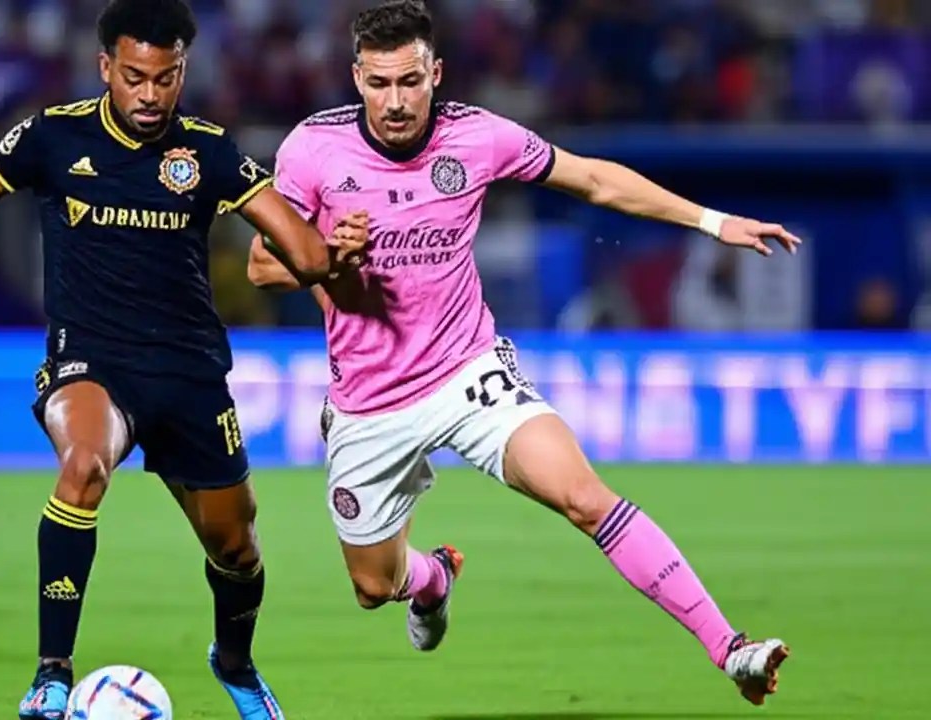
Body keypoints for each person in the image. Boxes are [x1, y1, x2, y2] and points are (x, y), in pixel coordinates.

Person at [0, 0, 364, 718]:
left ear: (183, 72)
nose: (150, 95)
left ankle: (235, 663)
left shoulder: (207, 151)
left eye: (166, 78)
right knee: (83, 465)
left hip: (188, 372)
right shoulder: (52, 137)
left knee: (237, 547)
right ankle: (51, 674)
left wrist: (336, 249)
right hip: (89, 358)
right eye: (135, 77)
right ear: (106, 68)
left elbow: (303, 255)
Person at [248, 0, 798, 706]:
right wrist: (328, 258)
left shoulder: (477, 137)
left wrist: (712, 221)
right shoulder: (311, 150)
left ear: (435, 73)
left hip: (467, 372)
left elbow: (594, 178)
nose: (394, 101)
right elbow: (264, 266)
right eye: (379, 83)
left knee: (584, 496)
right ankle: (433, 580)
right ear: (356, 78)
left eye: (410, 82)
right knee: (373, 586)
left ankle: (732, 648)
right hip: (368, 403)